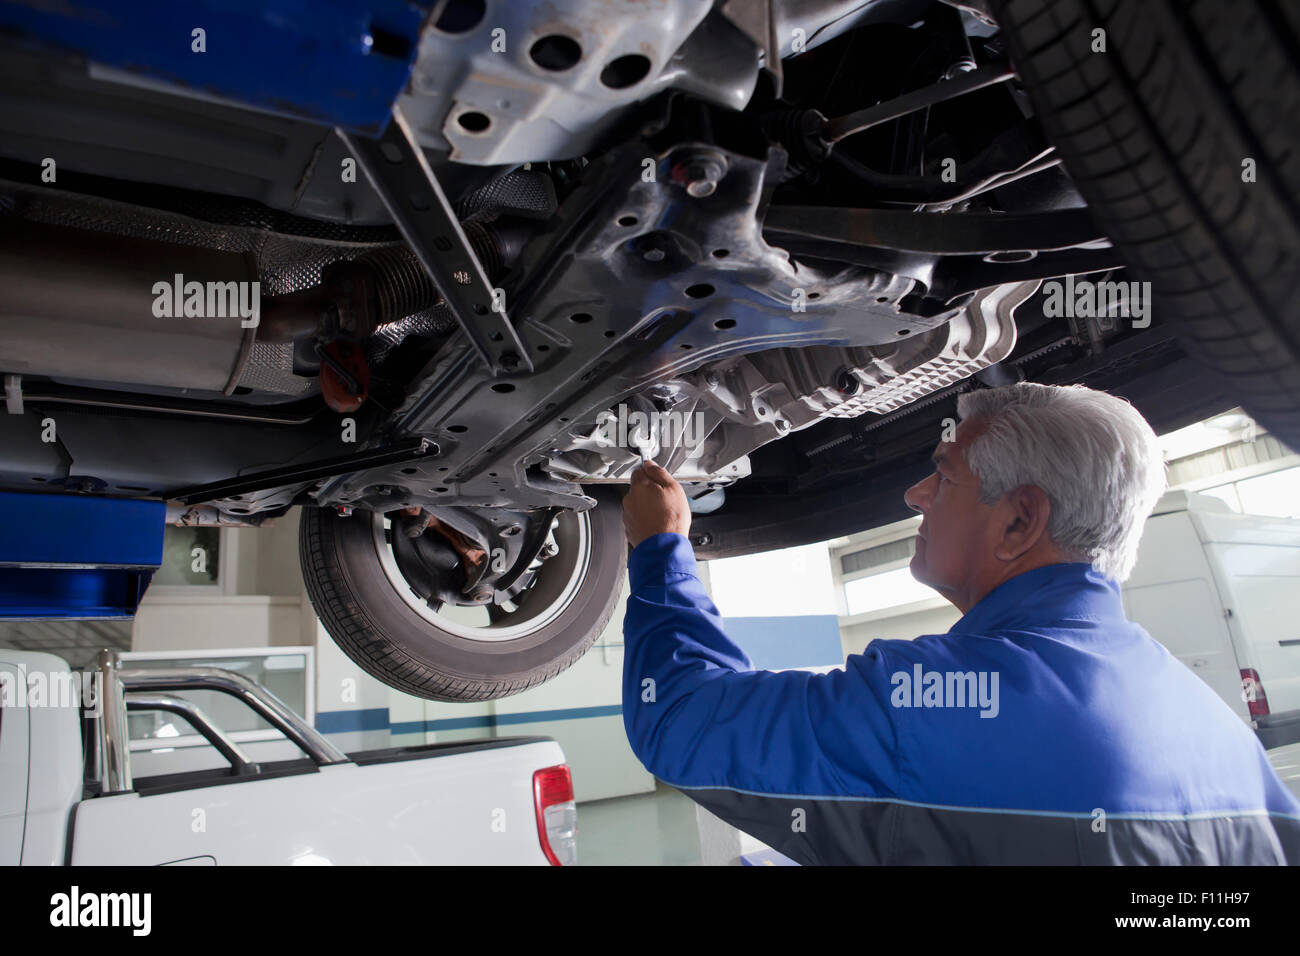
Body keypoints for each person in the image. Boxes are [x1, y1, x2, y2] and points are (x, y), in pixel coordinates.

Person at [620, 382, 1300, 864]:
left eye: (943, 477)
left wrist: (661, 552)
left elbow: (679, 719)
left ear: (1019, 521)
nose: (916, 494)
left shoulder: (941, 701)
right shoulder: (1220, 734)